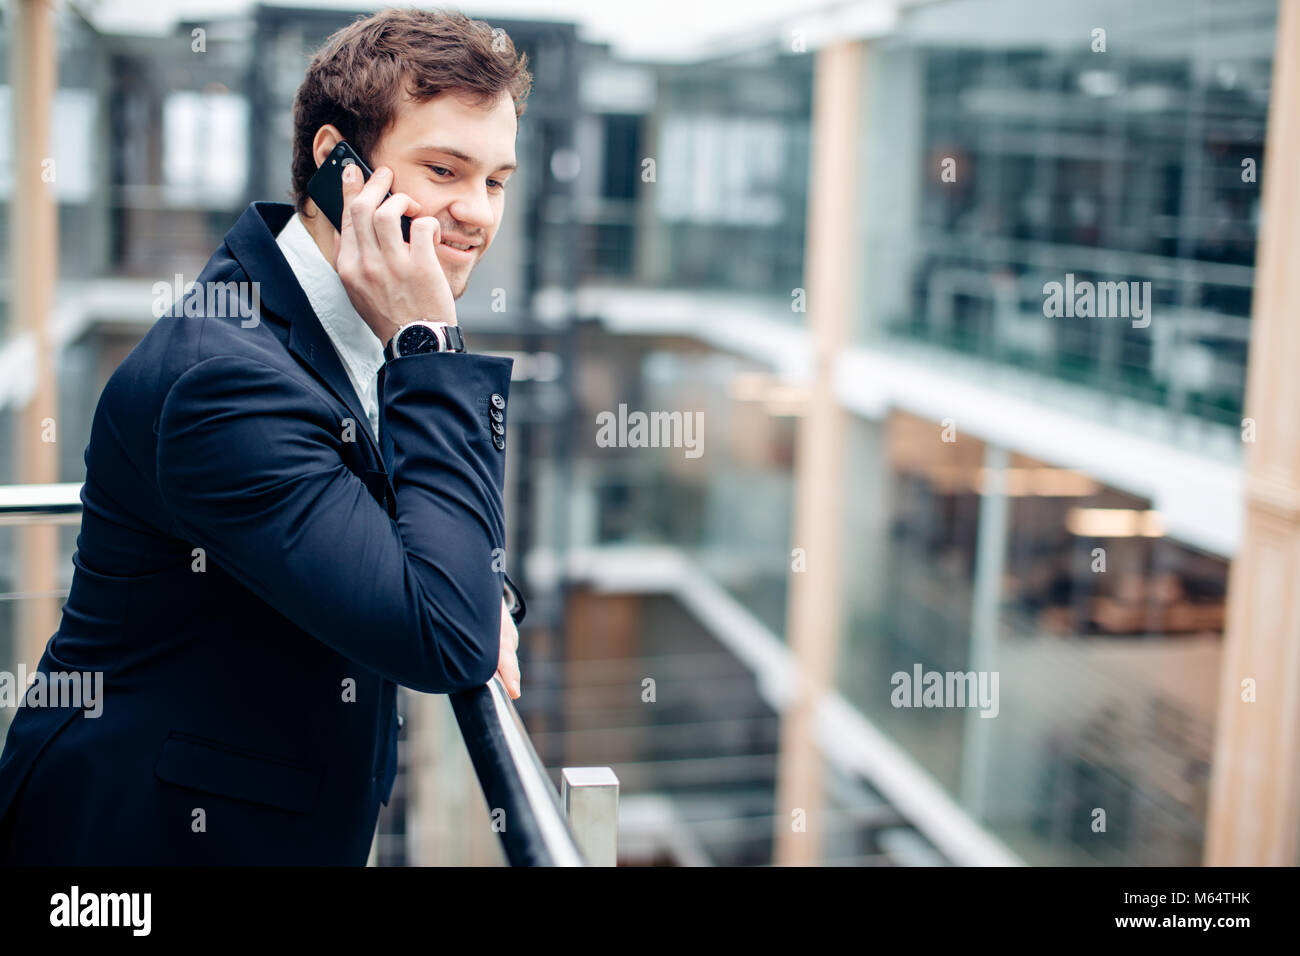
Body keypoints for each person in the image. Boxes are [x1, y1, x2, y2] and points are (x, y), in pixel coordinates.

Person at [0, 8, 532, 865]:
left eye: (497, 181)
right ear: (338, 166)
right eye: (444, 170)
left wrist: (476, 590)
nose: (476, 215)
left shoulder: (339, 327)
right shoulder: (227, 381)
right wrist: (430, 344)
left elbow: (431, 565)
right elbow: (443, 637)